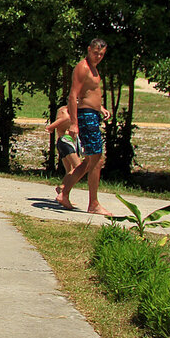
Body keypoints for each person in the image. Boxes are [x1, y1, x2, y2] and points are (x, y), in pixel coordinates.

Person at [57, 38, 112, 214]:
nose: (98, 56)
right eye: (95, 53)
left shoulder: (94, 69)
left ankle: (64, 192)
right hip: (86, 116)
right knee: (96, 159)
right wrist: (73, 123)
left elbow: (88, 94)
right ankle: (93, 204)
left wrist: (100, 107)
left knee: (91, 160)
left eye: (101, 54)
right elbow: (73, 95)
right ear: (89, 49)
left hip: (92, 114)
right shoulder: (83, 67)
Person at [45, 105, 84, 195]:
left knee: (69, 170)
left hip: (62, 142)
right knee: (78, 167)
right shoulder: (67, 116)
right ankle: (63, 187)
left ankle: (64, 195)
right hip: (66, 141)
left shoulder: (64, 112)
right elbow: (50, 127)